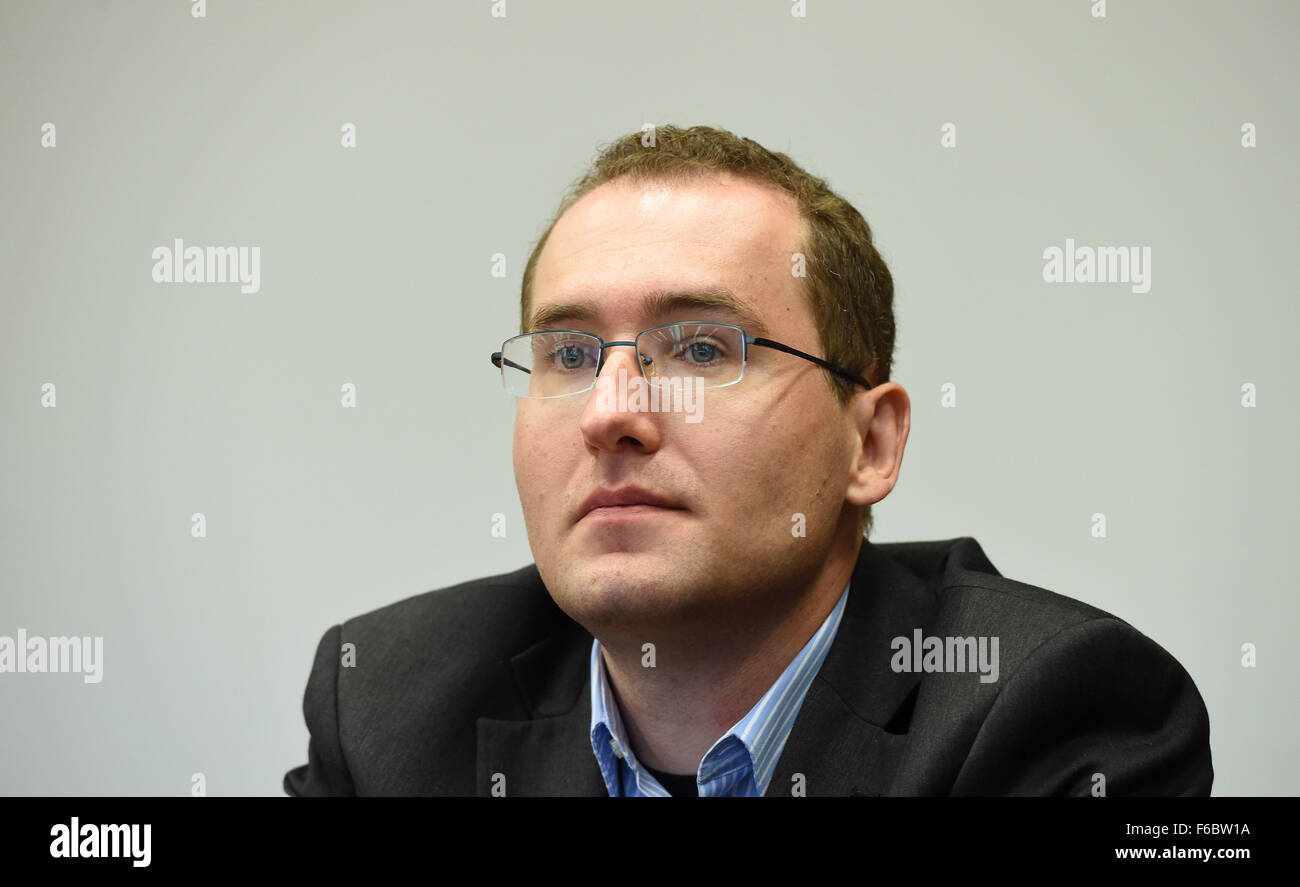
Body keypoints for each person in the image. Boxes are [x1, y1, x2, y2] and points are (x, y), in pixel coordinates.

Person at [283, 125, 1212, 797]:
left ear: (871, 441)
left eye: (699, 350)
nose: (612, 413)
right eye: (568, 355)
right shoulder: (387, 707)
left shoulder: (1053, 710)